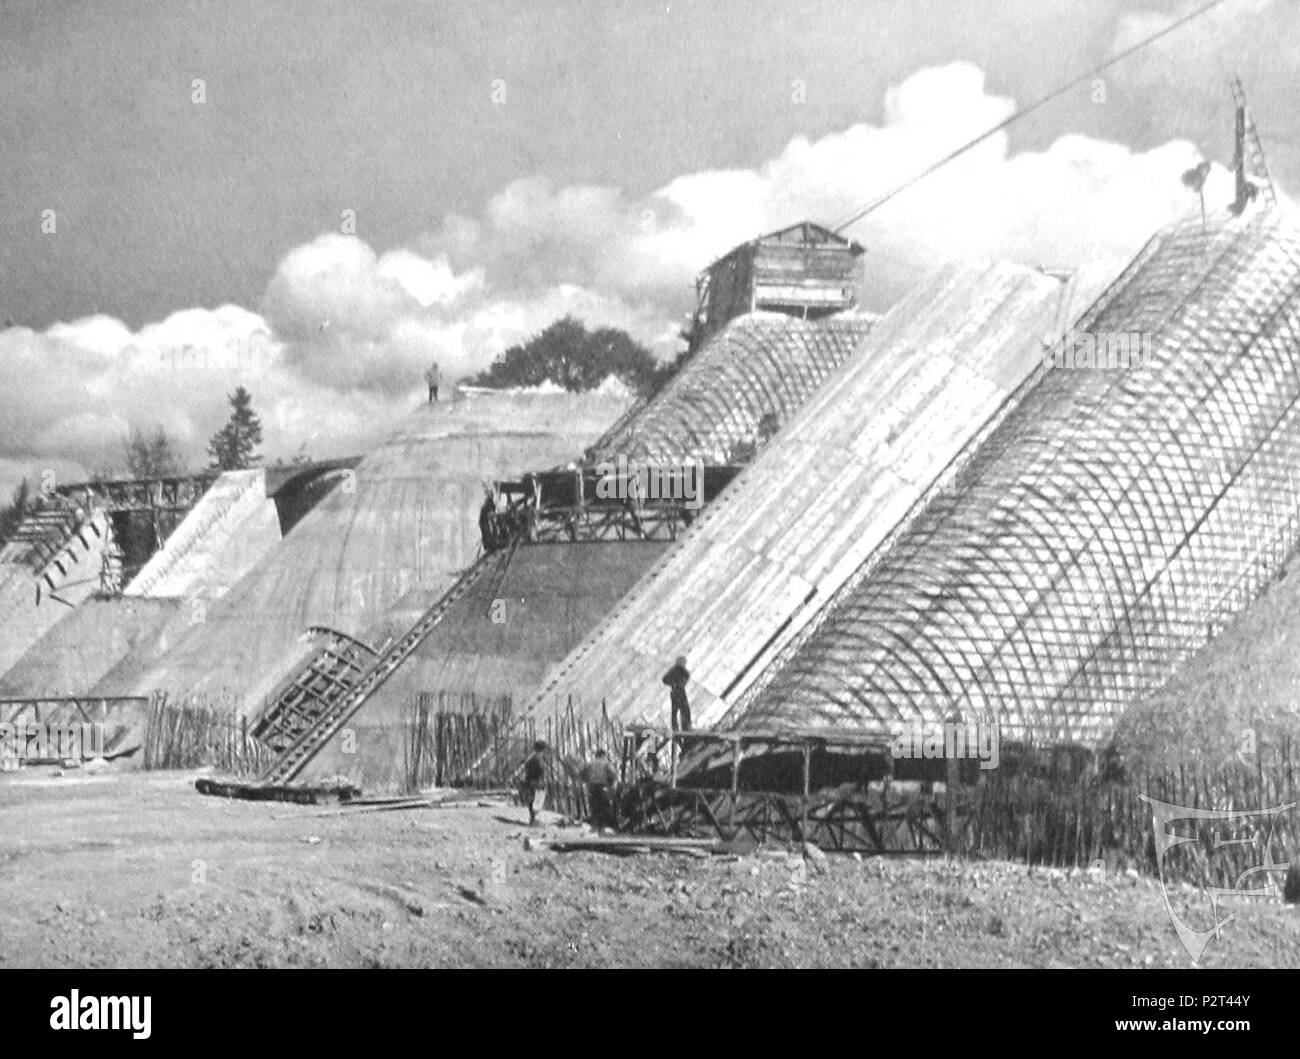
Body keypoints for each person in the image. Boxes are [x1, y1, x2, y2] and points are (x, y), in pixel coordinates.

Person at [579, 749, 618, 833]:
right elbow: (613, 775)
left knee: (594, 809)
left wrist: (587, 781)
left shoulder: (589, 764)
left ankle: (595, 828)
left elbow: (581, 774)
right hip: (603, 788)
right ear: (603, 755)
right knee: (604, 809)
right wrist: (612, 786)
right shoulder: (607, 764)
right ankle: (603, 829)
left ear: (596, 755)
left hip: (592, 789)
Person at [518, 741, 549, 826]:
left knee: (532, 800)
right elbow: (541, 769)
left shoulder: (531, 757)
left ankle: (533, 819)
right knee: (538, 799)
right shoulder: (539, 757)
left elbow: (526, 767)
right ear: (543, 748)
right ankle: (534, 820)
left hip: (530, 780)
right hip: (537, 781)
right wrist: (543, 777)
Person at [663, 655, 691, 732]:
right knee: (679, 710)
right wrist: (674, 683)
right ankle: (680, 727)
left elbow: (687, 677)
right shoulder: (675, 670)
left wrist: (676, 683)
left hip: (679, 690)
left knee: (681, 710)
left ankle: (682, 726)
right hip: (677, 691)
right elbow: (665, 680)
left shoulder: (681, 670)